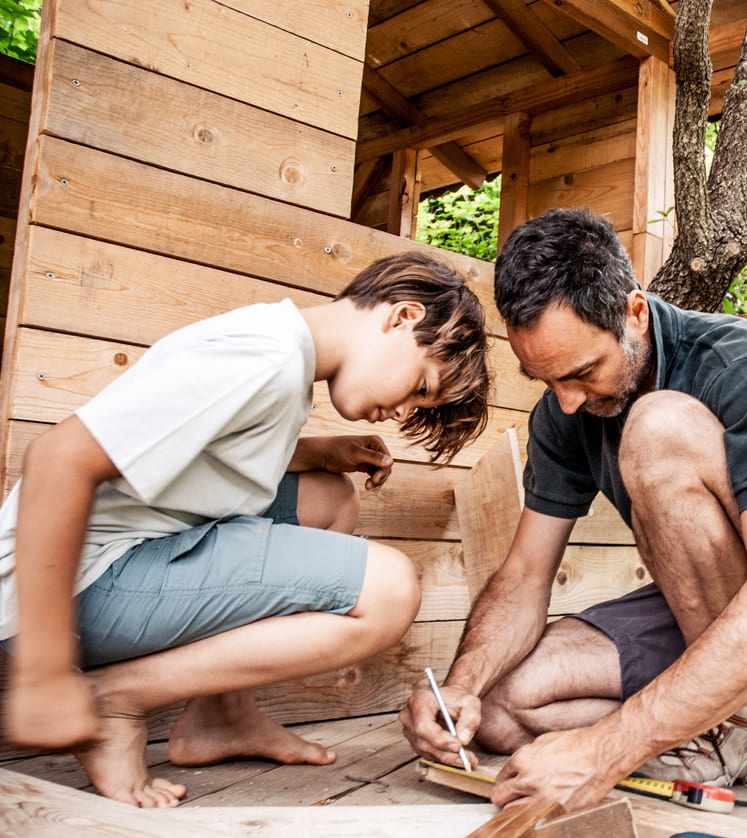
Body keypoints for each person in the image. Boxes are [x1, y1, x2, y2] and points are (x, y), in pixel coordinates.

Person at [400, 207, 747, 812]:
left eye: (583, 372)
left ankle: (728, 728)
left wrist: (604, 751)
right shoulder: (565, 408)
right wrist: (460, 687)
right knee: (504, 705)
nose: (568, 402)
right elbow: (526, 576)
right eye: (544, 380)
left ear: (635, 312)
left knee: (658, 424)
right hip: (710, 611)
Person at [0, 251, 490, 808]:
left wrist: (316, 452)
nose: (403, 411)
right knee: (390, 590)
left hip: (113, 569)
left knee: (330, 498)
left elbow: (200, 460)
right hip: (70, 592)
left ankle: (221, 713)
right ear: (402, 317)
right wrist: (43, 675)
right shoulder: (263, 356)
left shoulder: (284, 359)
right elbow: (56, 460)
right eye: (420, 387)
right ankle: (113, 700)